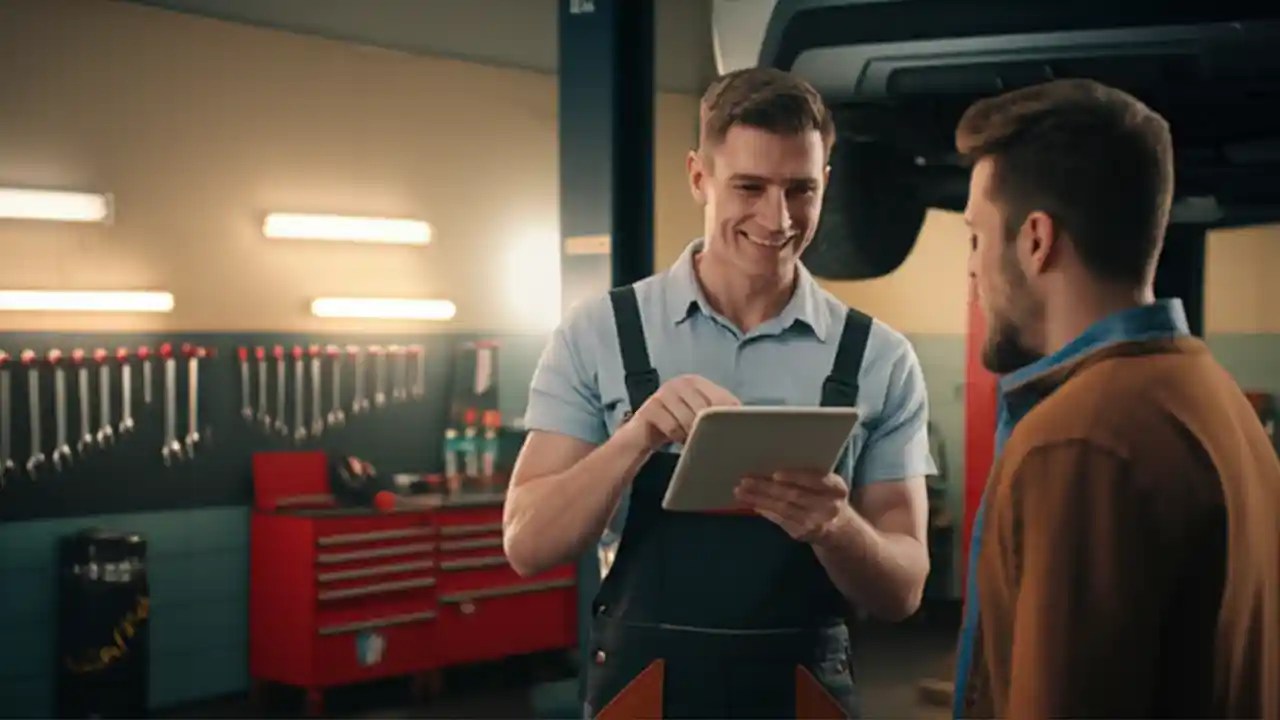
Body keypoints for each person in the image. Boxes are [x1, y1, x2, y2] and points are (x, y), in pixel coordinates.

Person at [502, 67, 936, 719]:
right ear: (699, 177)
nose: (777, 217)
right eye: (750, 187)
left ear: (826, 182)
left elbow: (903, 588)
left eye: (801, 189)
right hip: (642, 692)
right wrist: (635, 437)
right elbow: (527, 544)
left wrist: (838, 526)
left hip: (802, 695)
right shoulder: (602, 334)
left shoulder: (879, 358)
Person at [951, 77, 1280, 719]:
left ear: (1036, 240)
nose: (971, 266)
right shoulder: (1213, 395)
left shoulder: (1080, 443)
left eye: (976, 237)